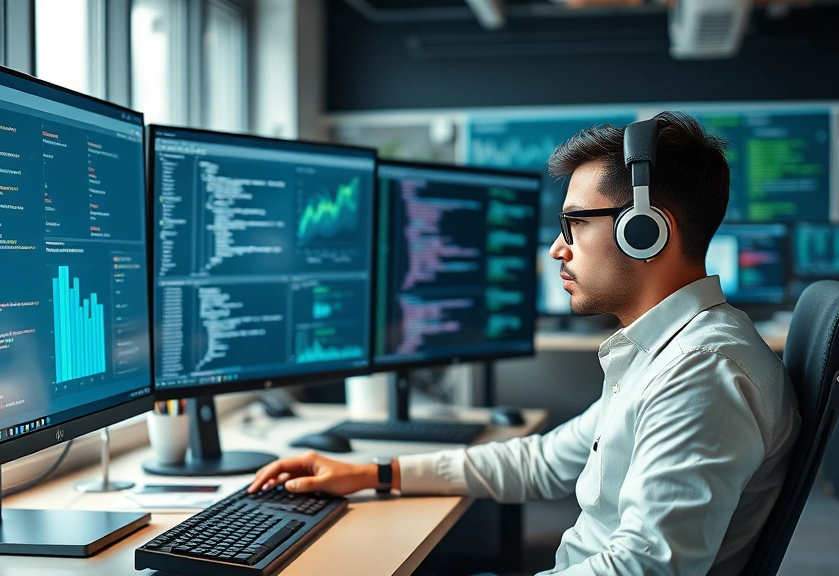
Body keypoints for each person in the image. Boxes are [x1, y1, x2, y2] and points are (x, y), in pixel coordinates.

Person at [248, 111, 801, 576]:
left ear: (647, 229)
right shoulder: (663, 353)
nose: (558, 250)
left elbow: (645, 569)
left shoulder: (700, 371)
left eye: (574, 225)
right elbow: (541, 461)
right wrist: (375, 474)